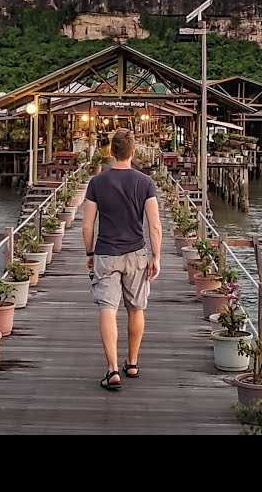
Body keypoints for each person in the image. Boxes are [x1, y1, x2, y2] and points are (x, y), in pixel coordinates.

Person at [82, 128, 162, 391]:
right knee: (136, 308)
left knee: (108, 308)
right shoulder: (145, 182)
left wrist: (89, 253)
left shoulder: (97, 182)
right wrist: (156, 256)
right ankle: (133, 362)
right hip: (136, 253)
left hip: (106, 253)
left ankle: (112, 369)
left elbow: (87, 226)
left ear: (111, 151)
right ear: (133, 152)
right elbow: (154, 225)